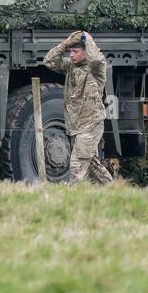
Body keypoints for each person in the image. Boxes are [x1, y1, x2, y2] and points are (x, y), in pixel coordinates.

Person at [43, 30, 113, 184]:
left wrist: (88, 40)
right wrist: (66, 44)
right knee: (93, 166)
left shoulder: (96, 69)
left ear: (85, 52)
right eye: (70, 52)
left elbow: (96, 59)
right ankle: (114, 191)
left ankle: (72, 200)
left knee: (77, 166)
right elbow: (49, 61)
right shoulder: (70, 66)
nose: (71, 55)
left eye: (75, 51)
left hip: (90, 125)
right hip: (76, 126)